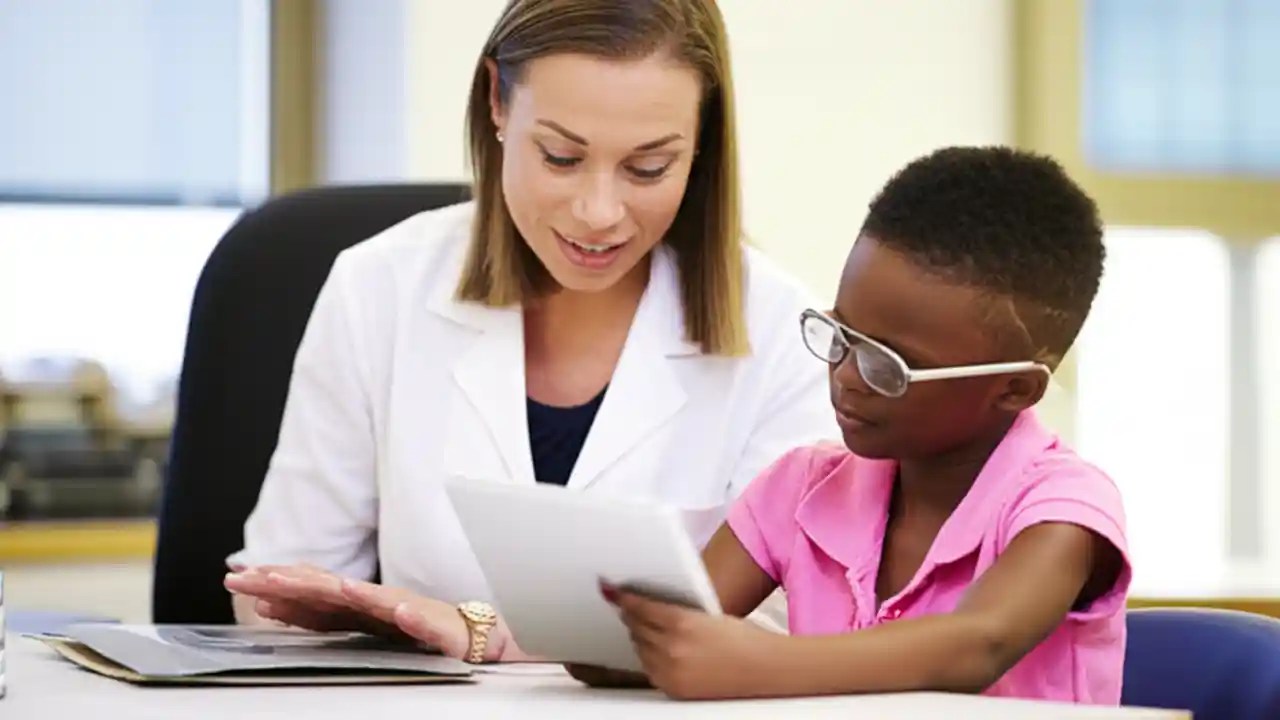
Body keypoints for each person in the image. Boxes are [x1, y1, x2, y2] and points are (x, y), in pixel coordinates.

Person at [222, 0, 836, 664]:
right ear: (497, 102)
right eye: (562, 156)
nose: (599, 213)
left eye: (648, 168)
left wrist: (486, 636)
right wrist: (336, 614)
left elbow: (798, 629)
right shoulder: (378, 287)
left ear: (701, 141)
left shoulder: (781, 333)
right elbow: (274, 595)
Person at [595, 146, 1131, 703]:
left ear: (1014, 389)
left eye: (887, 365)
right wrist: (607, 639)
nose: (847, 375)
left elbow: (979, 644)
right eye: (840, 335)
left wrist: (759, 662)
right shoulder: (802, 487)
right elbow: (674, 639)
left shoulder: (1064, 506)